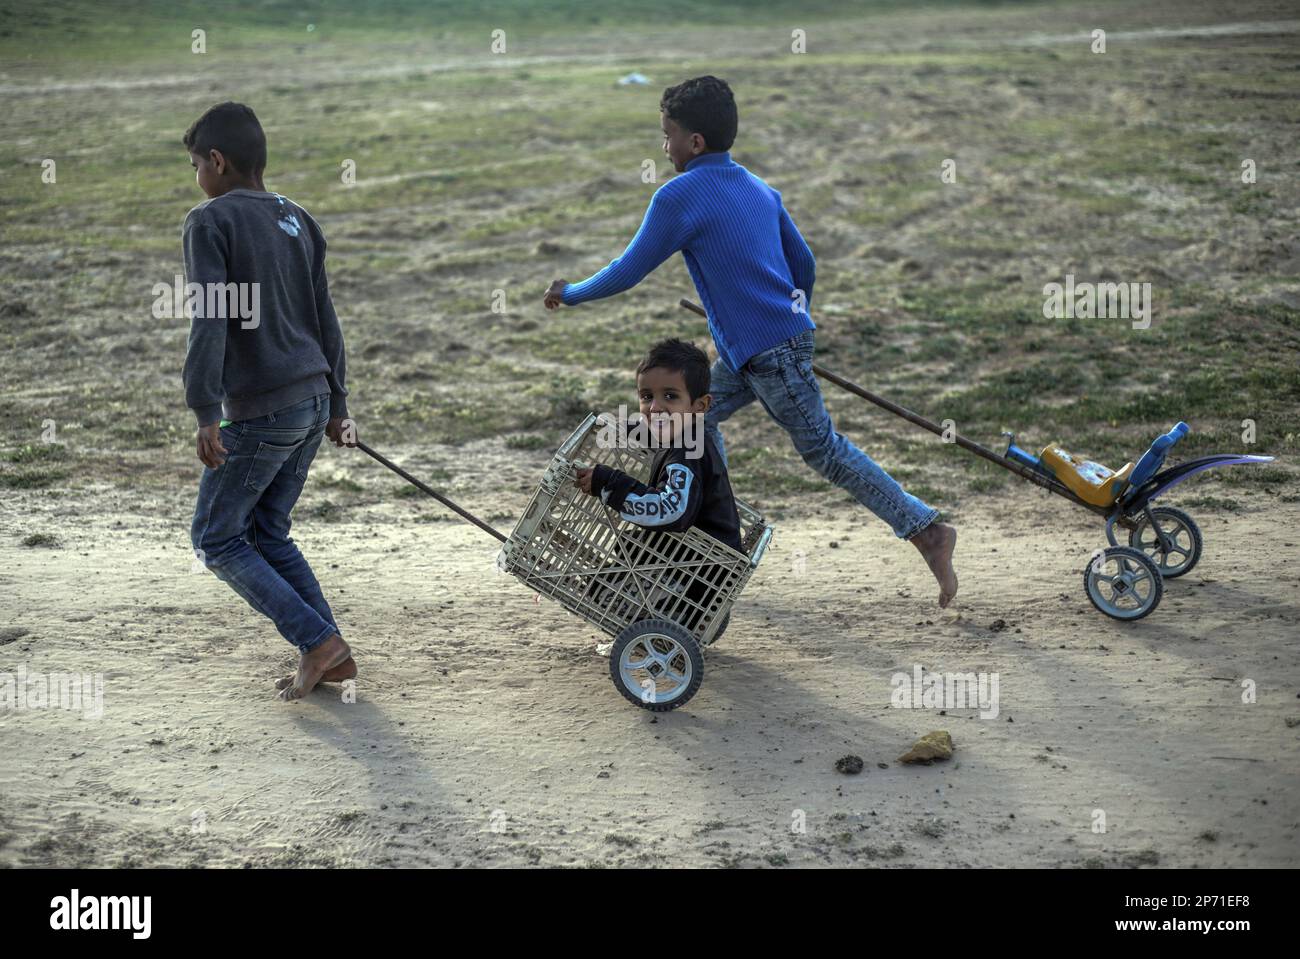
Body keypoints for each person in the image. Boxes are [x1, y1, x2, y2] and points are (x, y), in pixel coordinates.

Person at [545, 75, 957, 606]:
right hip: (754, 352)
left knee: (825, 452)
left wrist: (571, 293)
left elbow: (629, 269)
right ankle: (713, 540)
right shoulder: (761, 189)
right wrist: (788, 316)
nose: (663, 146)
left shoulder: (678, 196)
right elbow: (803, 264)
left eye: (667, 134)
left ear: (694, 143)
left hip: (769, 354)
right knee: (698, 419)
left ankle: (926, 530)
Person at [181, 101, 357, 700]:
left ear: (218, 161)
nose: (197, 177)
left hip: (261, 411)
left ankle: (317, 642)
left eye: (196, 164)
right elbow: (325, 319)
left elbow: (209, 320)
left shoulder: (210, 221)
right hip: (311, 403)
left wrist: (206, 410)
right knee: (269, 531)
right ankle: (330, 652)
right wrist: (337, 403)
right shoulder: (298, 218)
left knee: (217, 537)